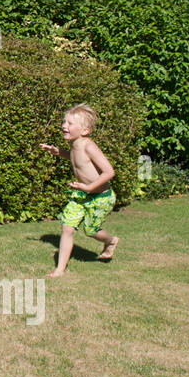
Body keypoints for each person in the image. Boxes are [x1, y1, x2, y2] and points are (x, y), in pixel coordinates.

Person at [39, 103, 119, 277]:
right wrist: (58, 152)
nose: (64, 126)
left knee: (91, 231)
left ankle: (111, 241)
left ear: (85, 131)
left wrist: (89, 187)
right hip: (82, 194)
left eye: (69, 124)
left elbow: (109, 172)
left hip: (101, 197)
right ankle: (60, 270)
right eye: (64, 122)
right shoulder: (75, 144)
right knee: (67, 228)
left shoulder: (88, 146)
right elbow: (76, 158)